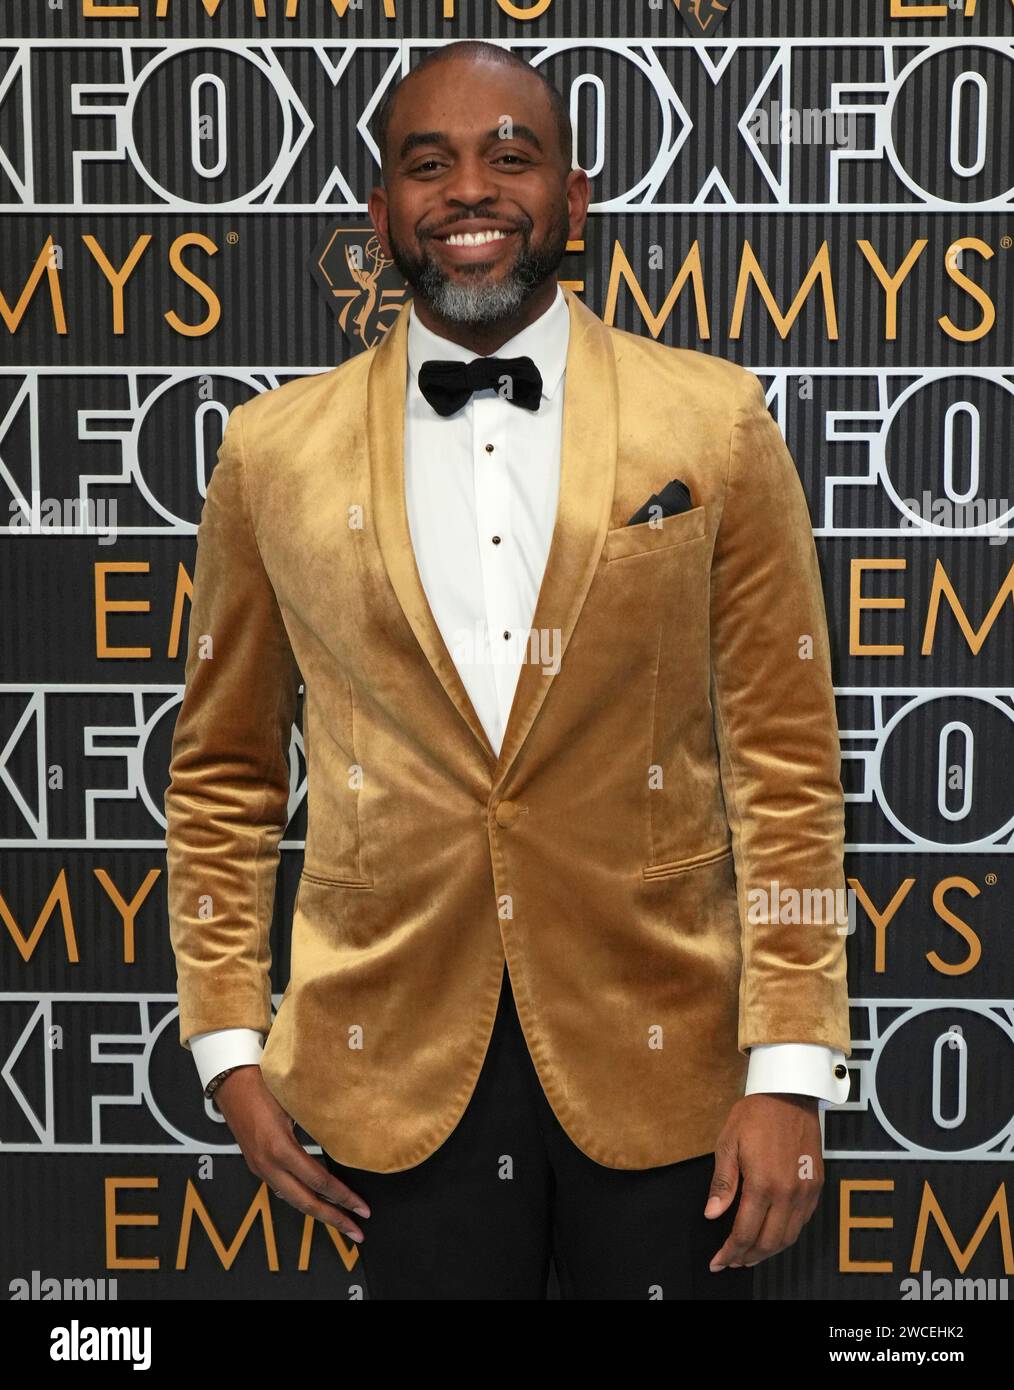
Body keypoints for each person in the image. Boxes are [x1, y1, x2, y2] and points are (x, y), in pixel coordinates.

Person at [165, 40, 851, 1301]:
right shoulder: (269, 454)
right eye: (429, 165)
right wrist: (226, 1046)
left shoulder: (716, 423)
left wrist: (790, 1069)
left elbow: (788, 766)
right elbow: (222, 769)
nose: (469, 190)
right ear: (382, 215)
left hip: (670, 1067)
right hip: (387, 1075)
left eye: (509, 157)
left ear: (574, 201)